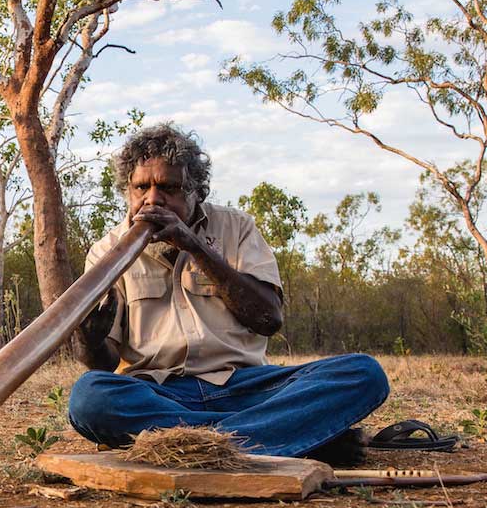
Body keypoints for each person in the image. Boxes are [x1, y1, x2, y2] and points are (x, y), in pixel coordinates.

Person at [69, 122, 390, 466]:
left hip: (248, 388)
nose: (152, 198)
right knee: (90, 397)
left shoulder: (237, 229)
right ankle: (280, 438)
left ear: (196, 192)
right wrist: (89, 339)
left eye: (168, 187)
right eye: (140, 187)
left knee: (363, 373)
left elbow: (267, 319)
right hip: (159, 393)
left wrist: (194, 246)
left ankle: (188, 444)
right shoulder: (107, 251)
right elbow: (103, 363)